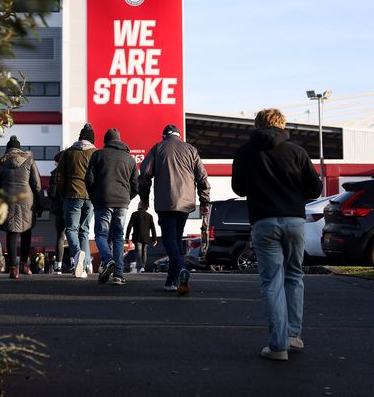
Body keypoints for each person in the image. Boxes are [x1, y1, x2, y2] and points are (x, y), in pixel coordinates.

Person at [231, 109, 322, 361]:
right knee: (294, 276)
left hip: (263, 221)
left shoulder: (245, 152)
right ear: (283, 124)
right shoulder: (297, 151)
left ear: (257, 125)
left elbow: (238, 188)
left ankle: (278, 345)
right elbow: (315, 188)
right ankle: (293, 335)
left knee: (272, 281)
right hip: (294, 220)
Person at [138, 124, 210, 295]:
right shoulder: (191, 150)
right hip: (185, 203)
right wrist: (205, 201)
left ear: (164, 136)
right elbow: (202, 177)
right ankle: (172, 281)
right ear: (178, 135)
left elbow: (145, 174)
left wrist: (144, 198)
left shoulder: (158, 148)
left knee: (170, 239)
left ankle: (182, 269)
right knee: (177, 239)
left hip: (165, 202)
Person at [85, 128, 138, 285]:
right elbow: (135, 184)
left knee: (101, 234)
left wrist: (94, 196)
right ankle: (118, 275)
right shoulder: (129, 159)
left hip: (103, 201)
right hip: (122, 202)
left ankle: (108, 260)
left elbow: (89, 179)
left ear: (106, 141)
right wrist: (127, 198)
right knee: (118, 237)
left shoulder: (98, 155)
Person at [0, 135, 42, 279]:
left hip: (8, 201)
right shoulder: (29, 161)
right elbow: (37, 185)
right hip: (27, 201)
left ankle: (13, 270)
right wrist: (41, 203)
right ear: (20, 149)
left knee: (12, 233)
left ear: (8, 150)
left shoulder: (1, 163)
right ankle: (25, 265)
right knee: (27, 231)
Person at [56, 123, 97, 278]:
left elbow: (59, 177)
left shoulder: (68, 153)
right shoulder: (96, 153)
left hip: (72, 194)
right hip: (90, 197)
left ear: (79, 138)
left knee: (71, 229)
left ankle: (78, 254)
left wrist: (63, 194)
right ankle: (85, 267)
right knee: (84, 231)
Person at [48, 151, 67, 273]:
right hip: (71, 207)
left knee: (60, 237)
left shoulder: (55, 174)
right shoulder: (71, 172)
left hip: (59, 209)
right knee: (73, 235)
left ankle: (58, 265)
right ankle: (75, 262)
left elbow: (52, 193)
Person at [125, 207, 158, 273]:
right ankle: (143, 267)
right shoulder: (149, 216)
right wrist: (154, 239)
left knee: (138, 252)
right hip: (146, 237)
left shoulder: (134, 214)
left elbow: (130, 225)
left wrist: (127, 236)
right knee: (144, 252)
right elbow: (153, 228)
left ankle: (140, 267)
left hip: (137, 237)